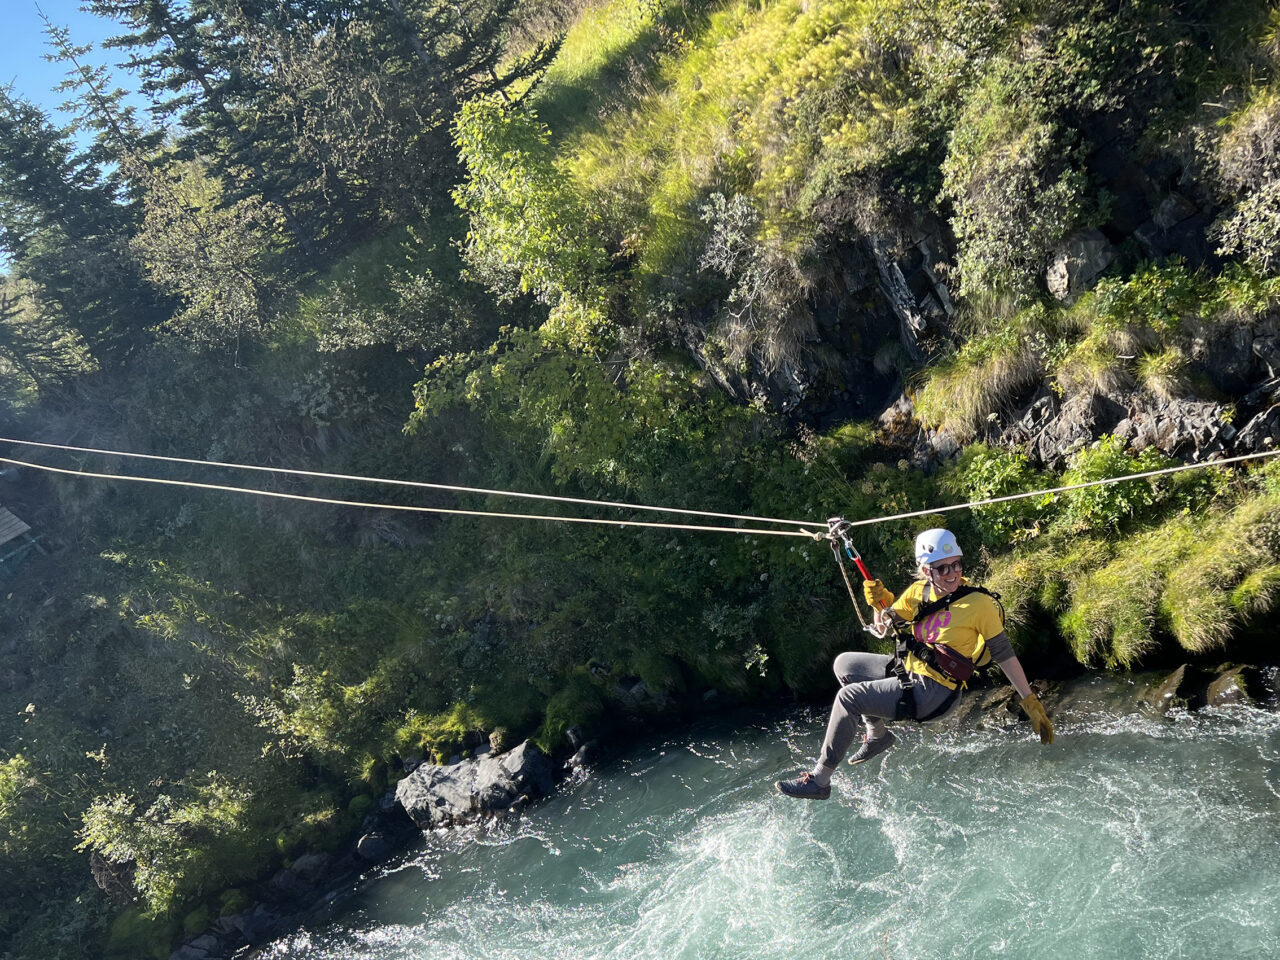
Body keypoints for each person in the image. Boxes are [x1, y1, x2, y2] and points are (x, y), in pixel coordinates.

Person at [776, 527, 1054, 800]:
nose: (953, 573)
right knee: (844, 665)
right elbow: (884, 627)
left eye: (956, 564)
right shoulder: (919, 592)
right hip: (910, 672)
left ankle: (820, 780)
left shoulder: (978, 605)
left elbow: (1004, 652)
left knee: (849, 698)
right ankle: (877, 735)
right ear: (926, 571)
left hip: (935, 692)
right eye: (942, 568)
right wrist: (879, 605)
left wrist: (1028, 700)